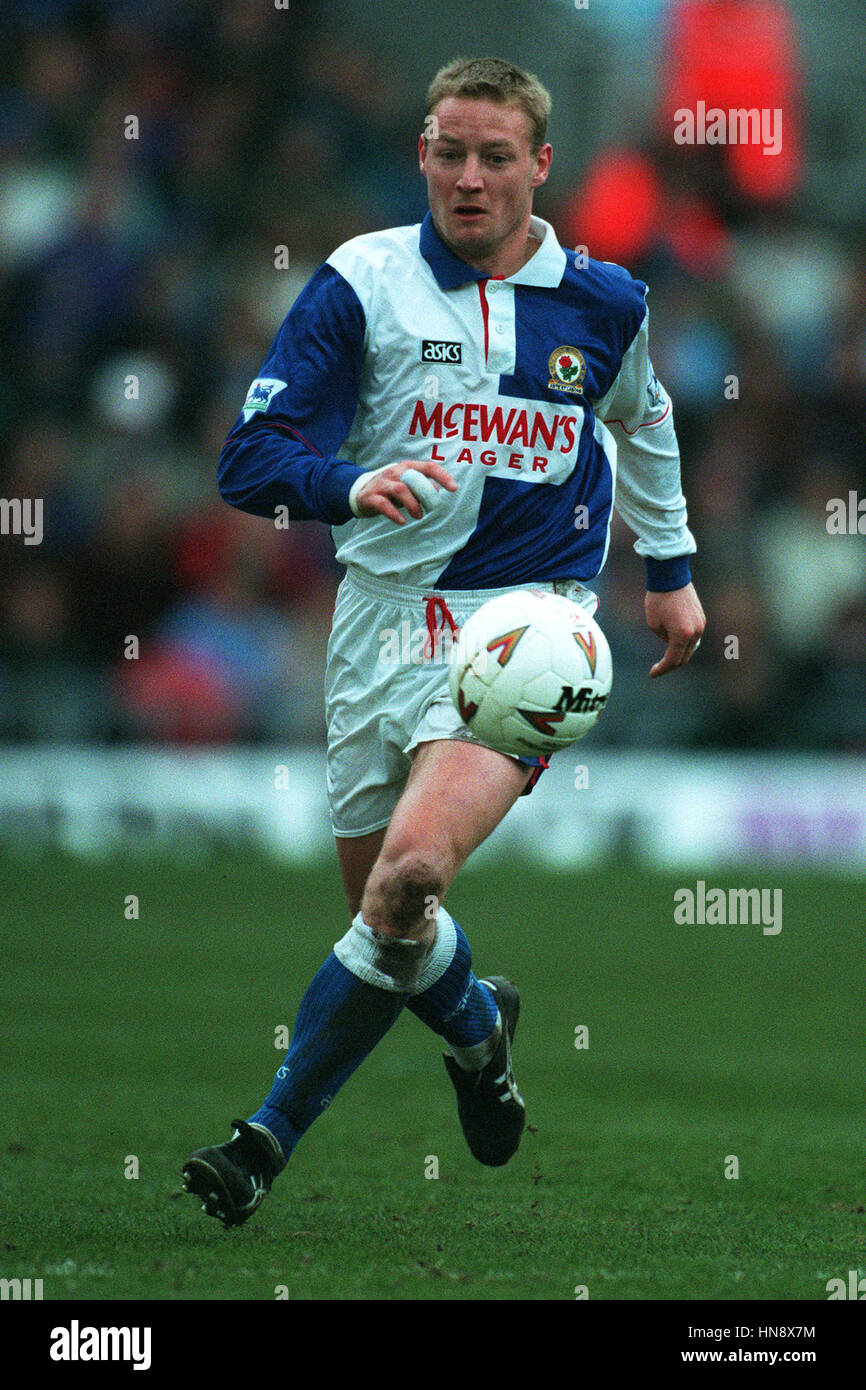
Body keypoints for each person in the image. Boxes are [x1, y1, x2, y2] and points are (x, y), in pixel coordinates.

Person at [182, 56, 705, 1227]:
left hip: (529, 627)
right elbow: (246, 461)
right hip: (375, 630)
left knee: (410, 877)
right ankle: (478, 1032)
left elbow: (648, 414)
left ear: (539, 167)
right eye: (448, 153)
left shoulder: (602, 302)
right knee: (392, 912)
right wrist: (348, 480)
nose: (468, 178)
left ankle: (262, 1140)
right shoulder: (359, 284)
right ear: (420, 153)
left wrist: (667, 572)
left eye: (494, 156)